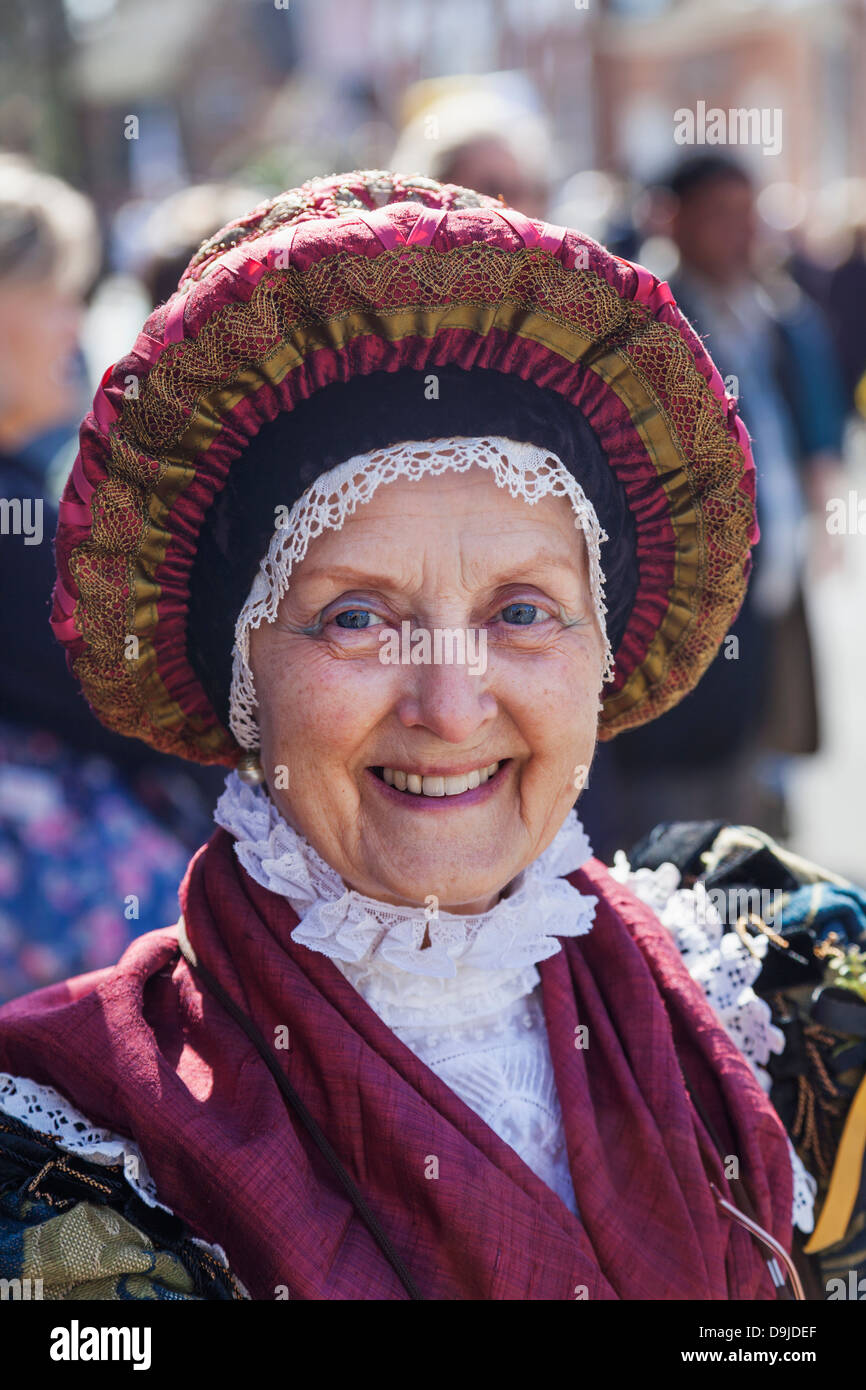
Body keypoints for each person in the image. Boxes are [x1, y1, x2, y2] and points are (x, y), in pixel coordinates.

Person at [0, 169, 842, 1300]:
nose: (449, 707)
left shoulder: (783, 1002)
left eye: (522, 613)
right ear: (240, 677)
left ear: (602, 654)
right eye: (356, 618)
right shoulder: (75, 1147)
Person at [587, 154, 847, 860]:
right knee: (672, 818)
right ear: (673, 218)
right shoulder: (646, 322)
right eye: (721, 214)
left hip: (765, 595)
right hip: (677, 607)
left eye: (749, 213)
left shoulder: (774, 316)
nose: (742, 233)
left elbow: (806, 430)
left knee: (748, 788)